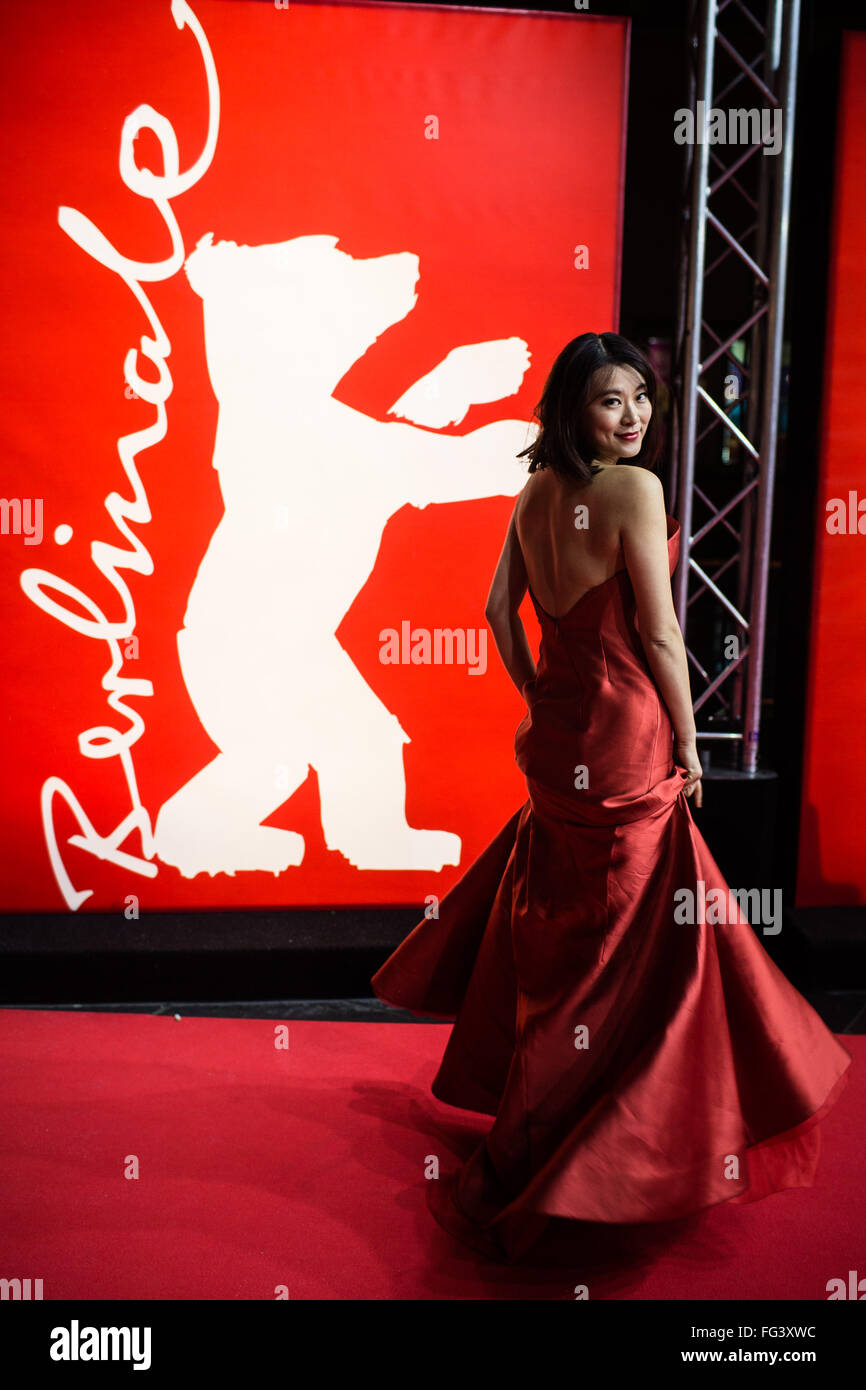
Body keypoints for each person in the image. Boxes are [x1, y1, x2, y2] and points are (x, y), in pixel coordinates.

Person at [370, 331, 852, 1264]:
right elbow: (665, 637)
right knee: (627, 947)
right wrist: (692, 737)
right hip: (627, 738)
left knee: (571, 936)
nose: (631, 418)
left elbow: (494, 610)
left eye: (640, 399)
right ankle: (594, 1142)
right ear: (572, 410)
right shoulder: (634, 491)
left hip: (560, 743)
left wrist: (537, 699)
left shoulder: (535, 492)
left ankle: (568, 1120)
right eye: (609, 402)